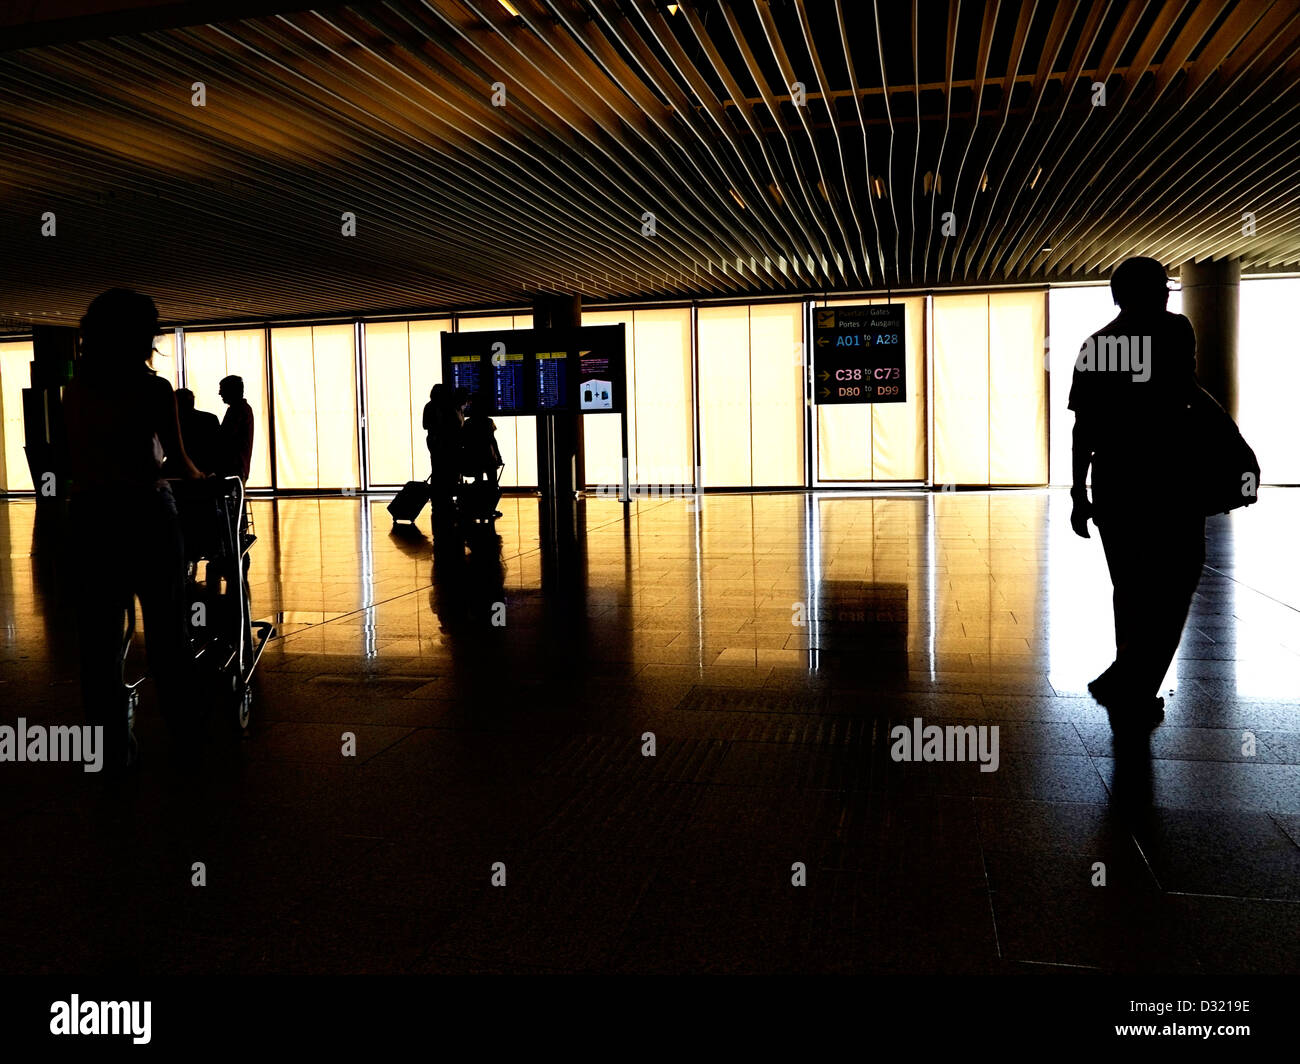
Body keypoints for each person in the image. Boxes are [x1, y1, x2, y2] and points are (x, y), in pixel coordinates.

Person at [62, 288, 205, 772]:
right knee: (167, 628)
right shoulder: (153, 390)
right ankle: (184, 735)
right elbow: (179, 461)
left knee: (99, 639)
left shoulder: (78, 389)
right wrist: (201, 478)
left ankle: (109, 746)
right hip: (146, 514)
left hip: (90, 517)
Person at [1068, 257, 1204, 729]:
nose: (1168, 294)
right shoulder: (1175, 331)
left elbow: (1084, 428)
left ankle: (1130, 673)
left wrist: (1077, 489)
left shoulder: (1097, 345)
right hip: (1170, 478)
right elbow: (1184, 393)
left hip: (1116, 480)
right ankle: (1137, 682)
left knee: (1129, 585)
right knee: (1178, 577)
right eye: (1162, 287)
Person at [460, 392, 504, 523]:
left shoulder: (468, 423)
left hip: (474, 456)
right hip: (488, 455)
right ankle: (490, 508)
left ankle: (479, 508)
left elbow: (464, 441)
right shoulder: (488, 422)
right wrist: (499, 456)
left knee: (478, 483)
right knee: (492, 483)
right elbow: (492, 440)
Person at [422, 383, 461, 525]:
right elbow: (453, 425)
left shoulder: (429, 406)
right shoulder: (447, 407)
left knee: (437, 469)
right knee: (449, 470)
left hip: (433, 441)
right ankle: (447, 497)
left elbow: (425, 425)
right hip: (446, 442)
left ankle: (438, 498)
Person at [215, 375, 254, 481]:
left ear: (231, 390)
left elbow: (225, 436)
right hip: (237, 468)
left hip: (234, 468)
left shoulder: (238, 411)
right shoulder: (242, 409)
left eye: (222, 389)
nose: (220, 393)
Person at [173, 387, 220, 474]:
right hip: (207, 468)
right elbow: (218, 446)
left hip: (180, 469)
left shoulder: (174, 423)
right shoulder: (210, 419)